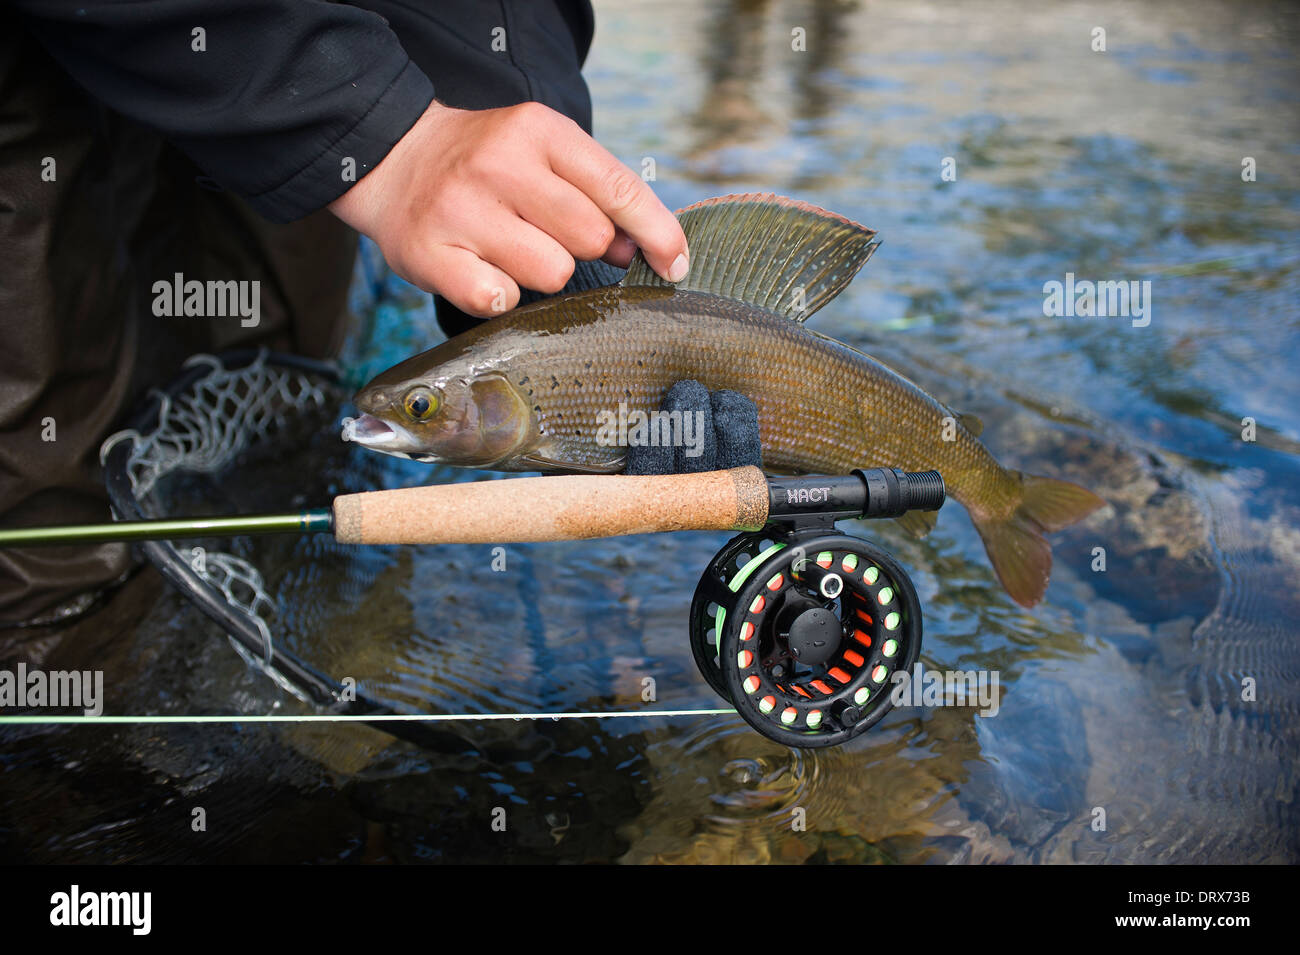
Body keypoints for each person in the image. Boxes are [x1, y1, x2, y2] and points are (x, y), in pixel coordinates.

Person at [0, 0, 699, 626]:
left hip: (312, 46)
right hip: (29, 83)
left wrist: (536, 240)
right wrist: (389, 133)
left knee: (275, 437)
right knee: (49, 554)